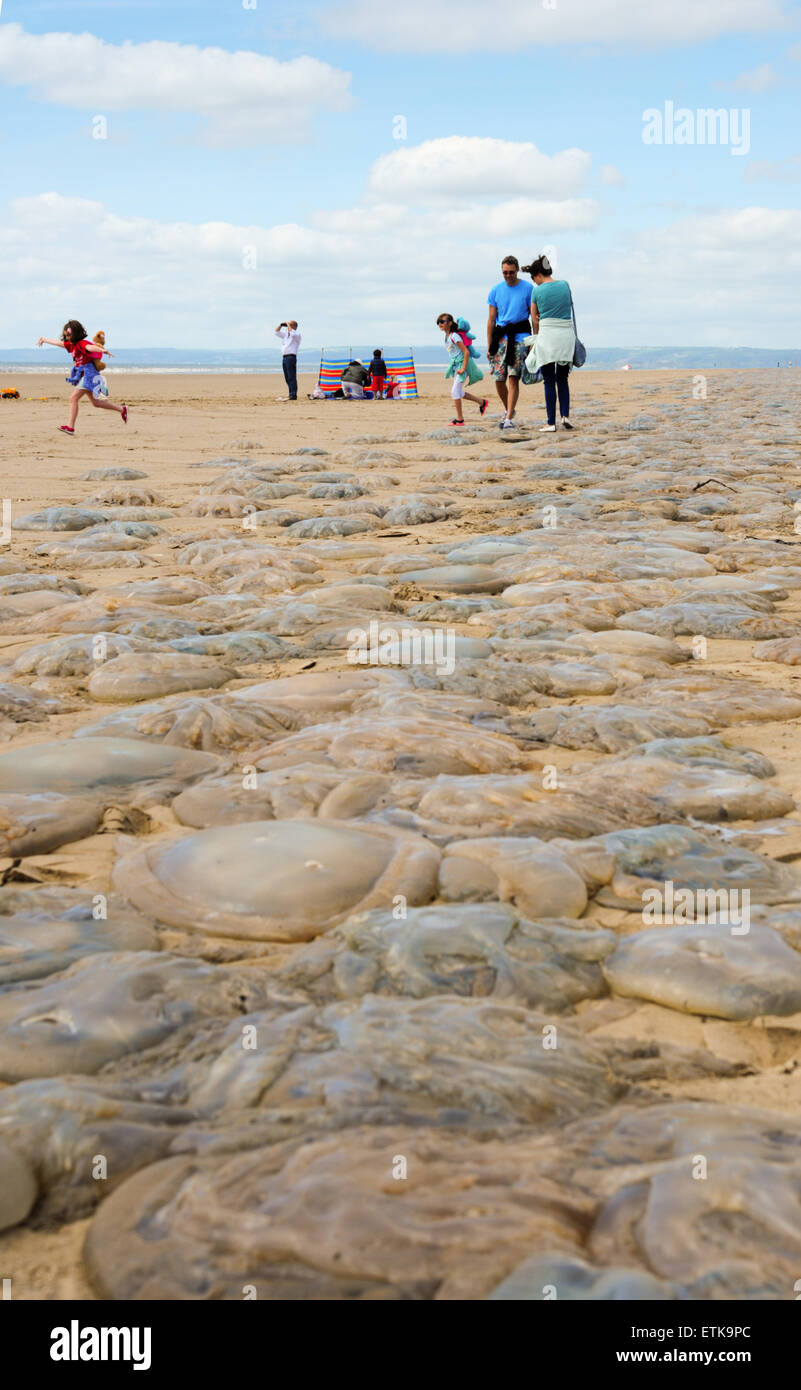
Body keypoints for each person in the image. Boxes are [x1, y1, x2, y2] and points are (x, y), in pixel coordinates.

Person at [37, 320, 127, 434]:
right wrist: (44, 340)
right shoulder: (71, 345)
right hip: (84, 375)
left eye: (69, 335)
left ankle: (70, 427)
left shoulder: (81, 343)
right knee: (96, 403)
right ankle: (122, 410)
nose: (67, 338)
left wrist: (102, 350)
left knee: (73, 398)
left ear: (75, 333)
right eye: (66, 335)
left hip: (89, 374)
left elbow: (90, 347)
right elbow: (58, 343)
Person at [521, 255, 575, 432]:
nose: (535, 283)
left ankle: (551, 423)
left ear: (538, 275)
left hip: (547, 336)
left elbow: (534, 319)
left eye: (534, 279)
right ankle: (565, 416)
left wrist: (536, 337)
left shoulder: (537, 291)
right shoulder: (565, 285)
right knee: (563, 378)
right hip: (566, 335)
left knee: (549, 380)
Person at [486, 255, 533, 430]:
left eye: (511, 272)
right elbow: (491, 320)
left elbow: (534, 317)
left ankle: (508, 419)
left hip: (520, 338)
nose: (508, 275)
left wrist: (533, 342)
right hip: (500, 338)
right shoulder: (495, 290)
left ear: (517, 270)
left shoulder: (528, 289)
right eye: (505, 272)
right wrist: (489, 345)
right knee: (499, 379)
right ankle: (509, 410)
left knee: (513, 378)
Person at [437, 313, 488, 426]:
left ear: (450, 323)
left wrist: (463, 368)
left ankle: (460, 420)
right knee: (459, 392)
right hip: (456, 367)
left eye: (442, 321)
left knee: (454, 392)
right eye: (438, 322)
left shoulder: (454, 336)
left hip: (462, 366)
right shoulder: (447, 337)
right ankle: (482, 402)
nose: (440, 324)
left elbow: (466, 352)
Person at [275, 319, 301, 400]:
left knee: (291, 376)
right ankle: (291, 393)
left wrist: (288, 324)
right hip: (285, 357)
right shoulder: (286, 335)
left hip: (291, 357)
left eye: (289, 325)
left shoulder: (297, 335)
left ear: (294, 326)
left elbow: (292, 333)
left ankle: (293, 394)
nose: (287, 326)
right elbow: (276, 332)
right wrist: (281, 325)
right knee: (287, 377)